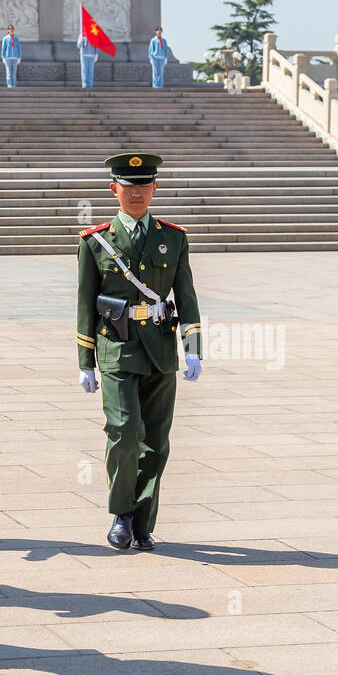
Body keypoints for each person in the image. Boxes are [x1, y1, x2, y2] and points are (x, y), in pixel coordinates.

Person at [75, 151, 202, 551]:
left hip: (161, 350)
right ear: (114, 188)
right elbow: (84, 303)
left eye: (144, 185)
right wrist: (85, 362)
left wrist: (193, 347)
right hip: (117, 348)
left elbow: (186, 295)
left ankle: (143, 522)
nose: (136, 193)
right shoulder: (96, 241)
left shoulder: (172, 237)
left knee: (157, 441)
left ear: (155, 188)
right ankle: (121, 512)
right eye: (128, 187)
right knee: (125, 432)